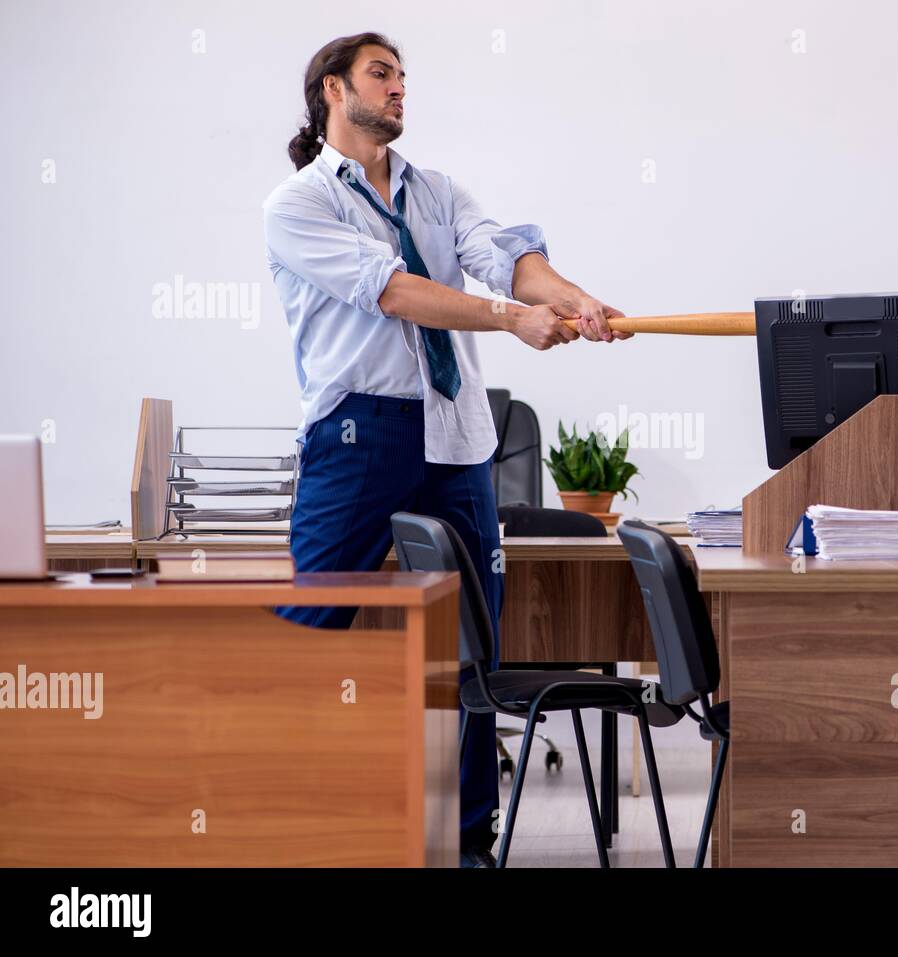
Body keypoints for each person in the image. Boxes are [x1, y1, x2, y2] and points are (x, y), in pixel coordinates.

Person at [263, 31, 628, 868]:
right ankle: (281, 818)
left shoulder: (440, 189)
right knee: (309, 628)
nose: (398, 91)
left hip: (457, 436)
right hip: (357, 431)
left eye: (403, 79)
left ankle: (467, 845)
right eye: (381, 75)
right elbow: (394, 290)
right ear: (331, 89)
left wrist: (574, 299)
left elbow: (506, 259)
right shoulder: (300, 204)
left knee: (472, 651)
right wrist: (511, 319)